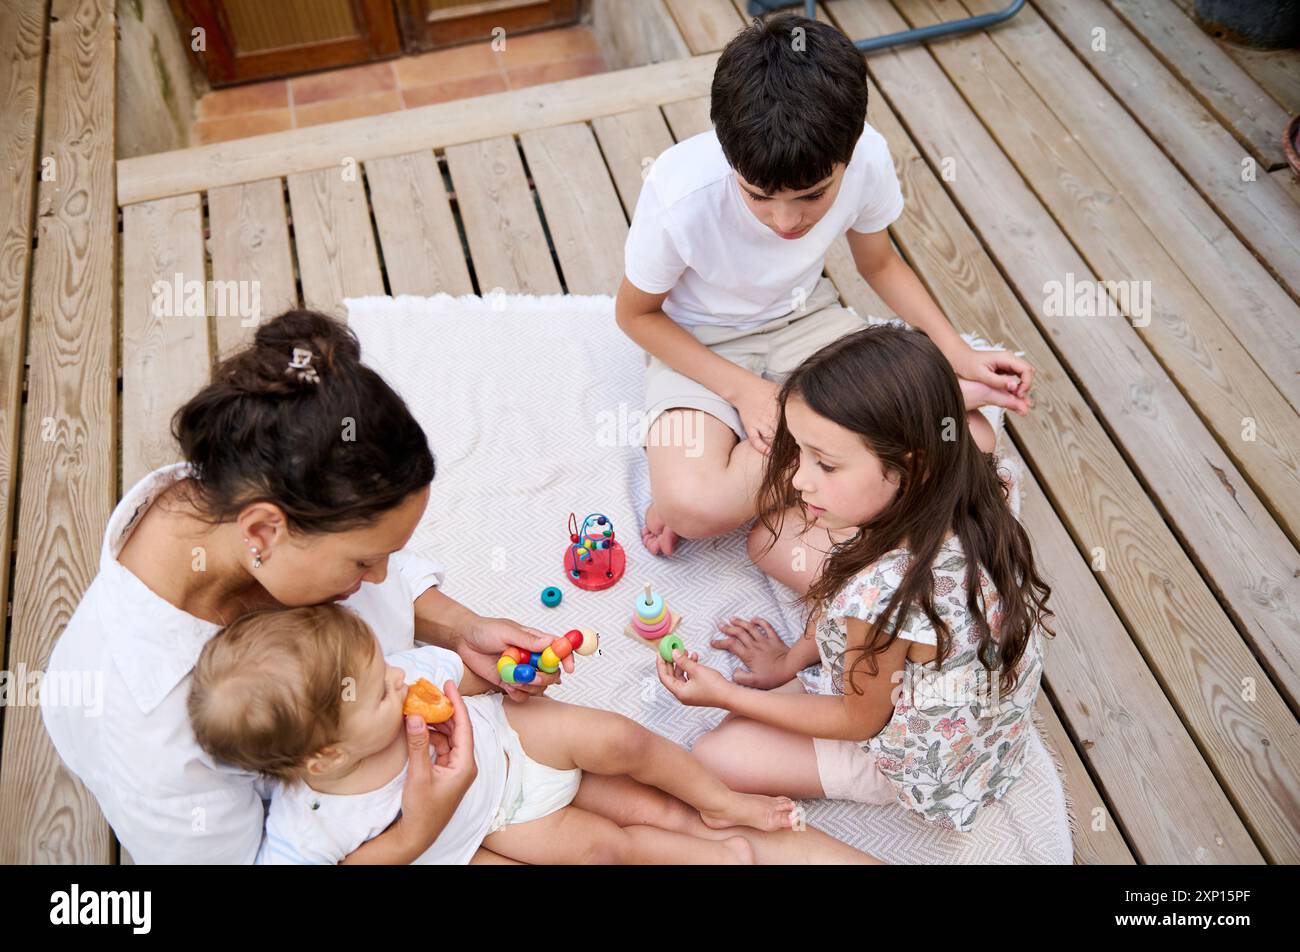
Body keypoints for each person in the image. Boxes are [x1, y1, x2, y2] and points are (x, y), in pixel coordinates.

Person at [40, 309, 572, 864]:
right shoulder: (148, 731)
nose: (382, 577)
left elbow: (378, 584)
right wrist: (415, 834)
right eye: (364, 562)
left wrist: (460, 630)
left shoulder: (240, 508)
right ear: (265, 530)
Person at [616, 13, 1032, 556]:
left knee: (974, 439)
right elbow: (635, 315)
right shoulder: (679, 190)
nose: (785, 222)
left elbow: (879, 265)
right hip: (699, 343)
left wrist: (956, 351)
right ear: (725, 150)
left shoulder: (869, 157)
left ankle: (801, 457)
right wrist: (747, 393)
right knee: (691, 506)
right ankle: (847, 450)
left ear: (851, 149)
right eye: (758, 196)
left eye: (812, 195)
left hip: (808, 320)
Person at [658, 325, 1055, 833]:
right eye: (801, 452)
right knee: (773, 550)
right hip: (966, 709)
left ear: (912, 468)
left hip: (922, 756)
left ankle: (867, 774)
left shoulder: (881, 597)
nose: (799, 479)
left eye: (825, 463)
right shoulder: (976, 487)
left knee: (715, 752)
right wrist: (788, 661)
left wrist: (726, 695)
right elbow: (843, 596)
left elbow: (858, 719)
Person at [190, 604, 799, 864]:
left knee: (620, 740)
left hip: (512, 735)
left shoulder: (408, 680)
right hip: (494, 825)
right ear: (326, 756)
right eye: (380, 691)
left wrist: (512, 672)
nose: (401, 676)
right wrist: (411, 838)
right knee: (603, 850)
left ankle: (718, 803)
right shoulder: (311, 821)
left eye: (386, 666)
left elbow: (475, 678)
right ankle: (717, 856)